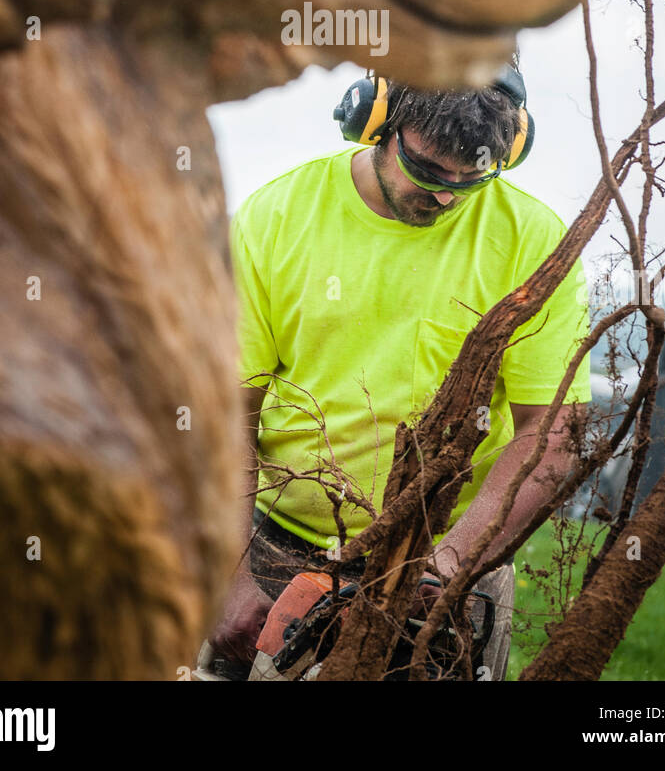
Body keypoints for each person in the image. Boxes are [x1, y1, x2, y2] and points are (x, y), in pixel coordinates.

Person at [211, 65, 591, 679]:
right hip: (279, 546)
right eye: (429, 170)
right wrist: (229, 575)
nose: (446, 196)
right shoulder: (275, 219)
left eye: (472, 179)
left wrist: (453, 561)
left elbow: (551, 433)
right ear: (374, 120)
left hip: (453, 560)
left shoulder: (532, 240)